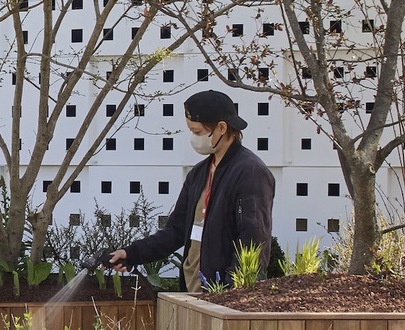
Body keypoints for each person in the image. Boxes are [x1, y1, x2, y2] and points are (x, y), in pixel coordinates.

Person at [104, 90, 276, 293]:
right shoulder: (199, 173)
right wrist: (131, 254)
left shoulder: (251, 172)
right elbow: (176, 230)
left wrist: (232, 292)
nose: (194, 139)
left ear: (222, 127)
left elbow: (253, 239)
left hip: (224, 296)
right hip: (193, 290)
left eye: (197, 132)